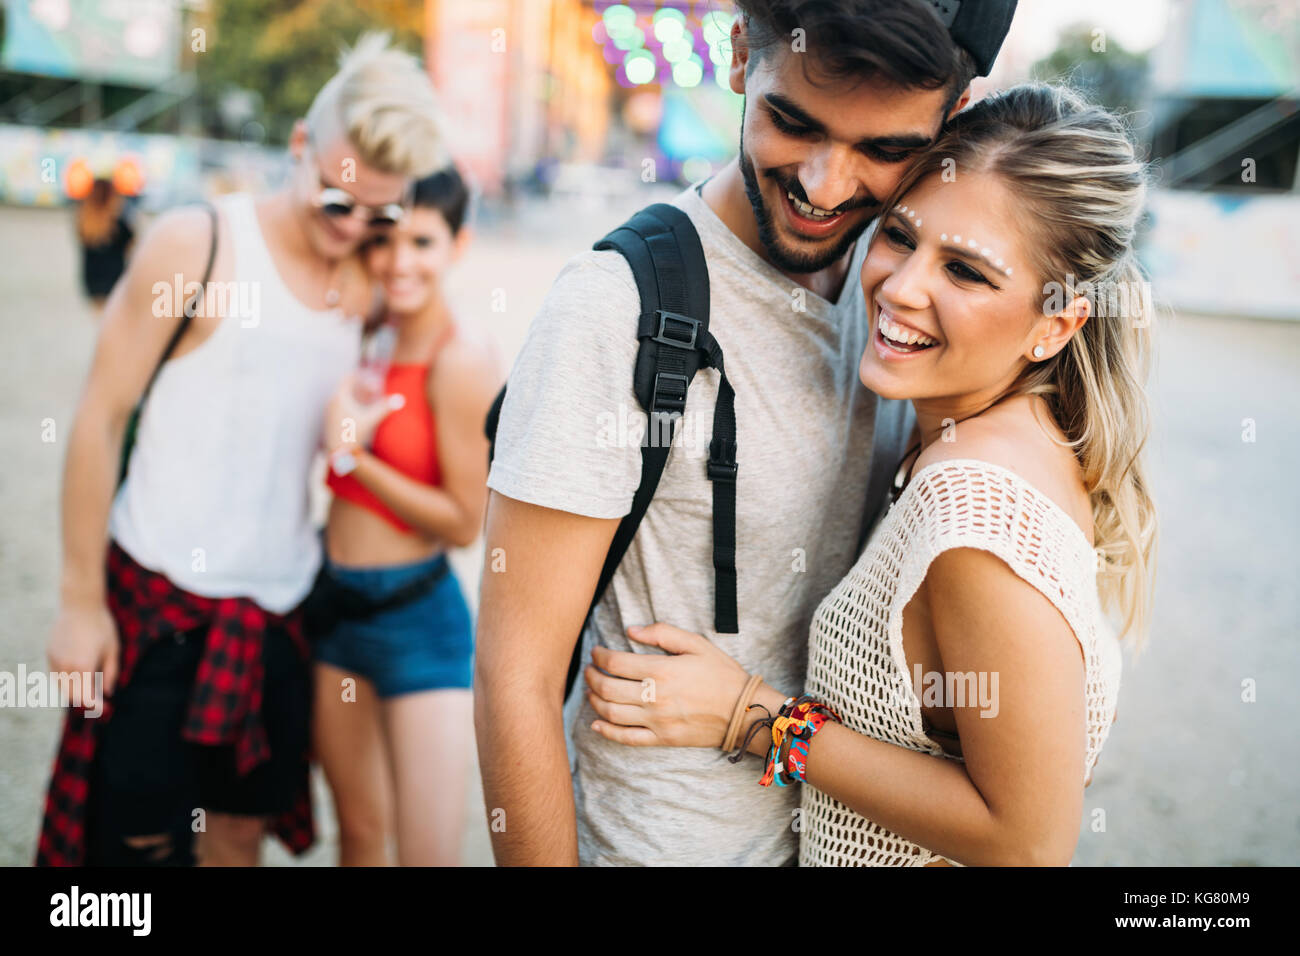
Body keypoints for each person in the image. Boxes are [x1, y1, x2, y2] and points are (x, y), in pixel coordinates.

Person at [476, 0, 1016, 866]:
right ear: (739, 56)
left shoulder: (902, 287)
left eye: (885, 150)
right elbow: (516, 680)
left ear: (950, 120)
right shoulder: (613, 309)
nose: (826, 186)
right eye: (793, 122)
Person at [585, 83, 1155, 866]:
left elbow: (1029, 841)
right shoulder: (1014, 436)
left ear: (1054, 324)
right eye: (900, 236)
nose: (901, 286)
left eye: (966, 272)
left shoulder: (975, 508)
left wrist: (750, 717)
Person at [37, 34, 446, 867]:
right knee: (135, 844)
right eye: (339, 202)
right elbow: (99, 416)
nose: (357, 228)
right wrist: (80, 601)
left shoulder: (366, 284)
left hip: (279, 611)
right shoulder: (197, 244)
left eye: (383, 214)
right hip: (158, 597)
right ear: (299, 144)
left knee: (235, 834)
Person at [311, 167, 502, 866]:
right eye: (387, 238)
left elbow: (461, 522)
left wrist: (355, 459)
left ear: (459, 244)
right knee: (357, 838)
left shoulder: (464, 360)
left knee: (426, 857)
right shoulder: (361, 336)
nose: (400, 261)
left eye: (423, 242)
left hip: (417, 623)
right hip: (335, 610)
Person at [76, 178, 134, 312]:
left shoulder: (83, 220)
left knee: (100, 322)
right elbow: (132, 246)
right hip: (115, 280)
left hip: (92, 281)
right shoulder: (120, 221)